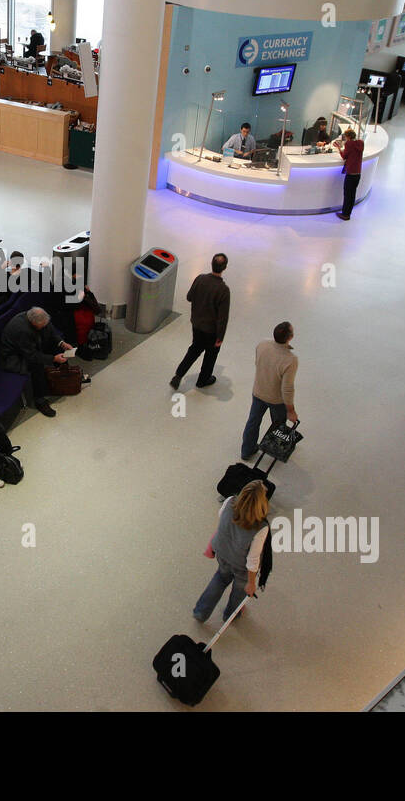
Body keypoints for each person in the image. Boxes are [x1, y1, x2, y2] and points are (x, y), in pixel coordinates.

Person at [193, 480, 270, 623]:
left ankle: (201, 612)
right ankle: (230, 615)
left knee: (220, 578)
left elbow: (221, 521)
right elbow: (253, 559)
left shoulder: (229, 502)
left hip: (223, 553)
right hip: (241, 565)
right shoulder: (261, 527)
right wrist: (252, 583)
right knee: (239, 590)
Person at [170, 253, 230, 390]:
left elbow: (189, 297)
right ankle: (203, 379)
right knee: (211, 354)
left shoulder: (200, 279)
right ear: (224, 268)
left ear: (211, 264)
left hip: (197, 325)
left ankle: (178, 375)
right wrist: (220, 337)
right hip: (212, 330)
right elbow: (223, 317)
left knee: (195, 349)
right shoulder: (223, 290)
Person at [0, 306, 74, 418]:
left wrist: (62, 343)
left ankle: (64, 377)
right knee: (36, 366)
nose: (45, 326)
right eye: (42, 326)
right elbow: (31, 356)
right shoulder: (22, 330)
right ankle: (39, 400)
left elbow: (51, 330)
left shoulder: (40, 318)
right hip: (15, 356)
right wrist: (53, 358)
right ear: (33, 323)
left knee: (58, 349)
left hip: (32, 345)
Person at [241, 322, 298, 461]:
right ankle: (276, 448)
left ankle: (247, 450)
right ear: (290, 337)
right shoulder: (290, 359)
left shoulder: (262, 344)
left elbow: (258, 363)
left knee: (253, 421)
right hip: (276, 399)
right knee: (279, 424)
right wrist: (290, 410)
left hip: (258, 392)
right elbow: (287, 388)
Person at [333, 127, 364, 221]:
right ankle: (348, 213)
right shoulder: (361, 143)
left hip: (350, 173)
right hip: (358, 173)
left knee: (347, 194)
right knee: (352, 195)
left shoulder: (349, 144)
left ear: (348, 137)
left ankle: (345, 214)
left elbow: (344, 156)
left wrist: (338, 147)